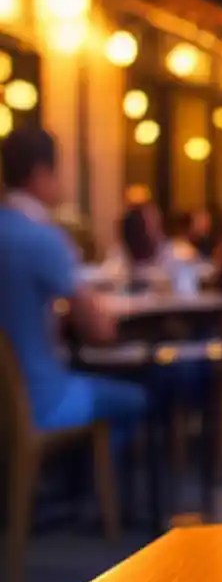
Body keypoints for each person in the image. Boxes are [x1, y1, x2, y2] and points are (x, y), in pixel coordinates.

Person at [0, 127, 148, 438]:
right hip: (39, 400)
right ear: (41, 174)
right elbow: (99, 331)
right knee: (136, 399)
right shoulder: (42, 238)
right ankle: (95, 482)